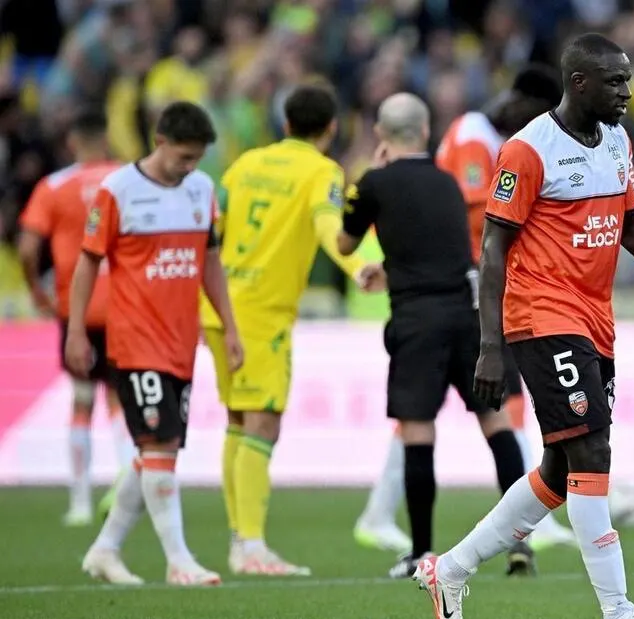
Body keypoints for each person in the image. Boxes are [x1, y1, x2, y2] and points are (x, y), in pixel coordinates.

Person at [411, 34, 634, 619]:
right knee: (593, 450)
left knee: (557, 466)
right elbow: (493, 250)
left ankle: (453, 568)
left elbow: (633, 229)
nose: (628, 92)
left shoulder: (617, 142)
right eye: (617, 82)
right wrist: (490, 345)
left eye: (628, 80)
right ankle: (618, 614)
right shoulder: (527, 151)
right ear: (579, 84)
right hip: (541, 315)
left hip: (594, 319)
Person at [353, 64, 577, 554]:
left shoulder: (486, 137)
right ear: (521, 104)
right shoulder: (475, 137)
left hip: (452, 285)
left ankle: (385, 514)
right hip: (466, 290)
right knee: (482, 408)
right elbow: (478, 221)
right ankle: (524, 521)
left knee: (429, 413)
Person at [339, 92, 534, 579]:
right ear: (426, 132)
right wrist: (392, 268)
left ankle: (423, 551)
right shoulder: (449, 183)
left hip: (417, 321)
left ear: (381, 135)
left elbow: (344, 241)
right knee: (496, 425)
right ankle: (520, 544)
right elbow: (438, 247)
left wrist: (371, 180)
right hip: (466, 315)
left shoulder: (373, 183)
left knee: (418, 431)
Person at [199, 84, 372, 577]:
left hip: (219, 305)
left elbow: (211, 230)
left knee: (238, 421)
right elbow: (327, 227)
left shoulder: (246, 164)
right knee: (262, 423)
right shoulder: (321, 171)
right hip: (260, 314)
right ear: (331, 129)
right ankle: (250, 545)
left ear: (285, 123)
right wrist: (358, 265)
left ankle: (241, 539)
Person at [69, 101, 243, 586]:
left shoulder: (202, 189)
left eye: (196, 159)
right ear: (159, 141)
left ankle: (104, 549)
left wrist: (229, 327)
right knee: (160, 443)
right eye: (183, 157)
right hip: (134, 341)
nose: (189, 168)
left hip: (181, 342)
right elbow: (87, 263)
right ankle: (178, 560)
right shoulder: (118, 190)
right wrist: (78, 330)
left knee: (157, 451)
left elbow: (210, 262)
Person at [17, 108, 136, 526]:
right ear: (106, 138)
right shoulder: (129, 180)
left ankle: (81, 503)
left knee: (82, 400)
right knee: (120, 397)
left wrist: (37, 290)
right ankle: (126, 478)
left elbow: (29, 248)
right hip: (124, 304)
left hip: (78, 308)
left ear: (72, 143)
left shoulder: (54, 185)